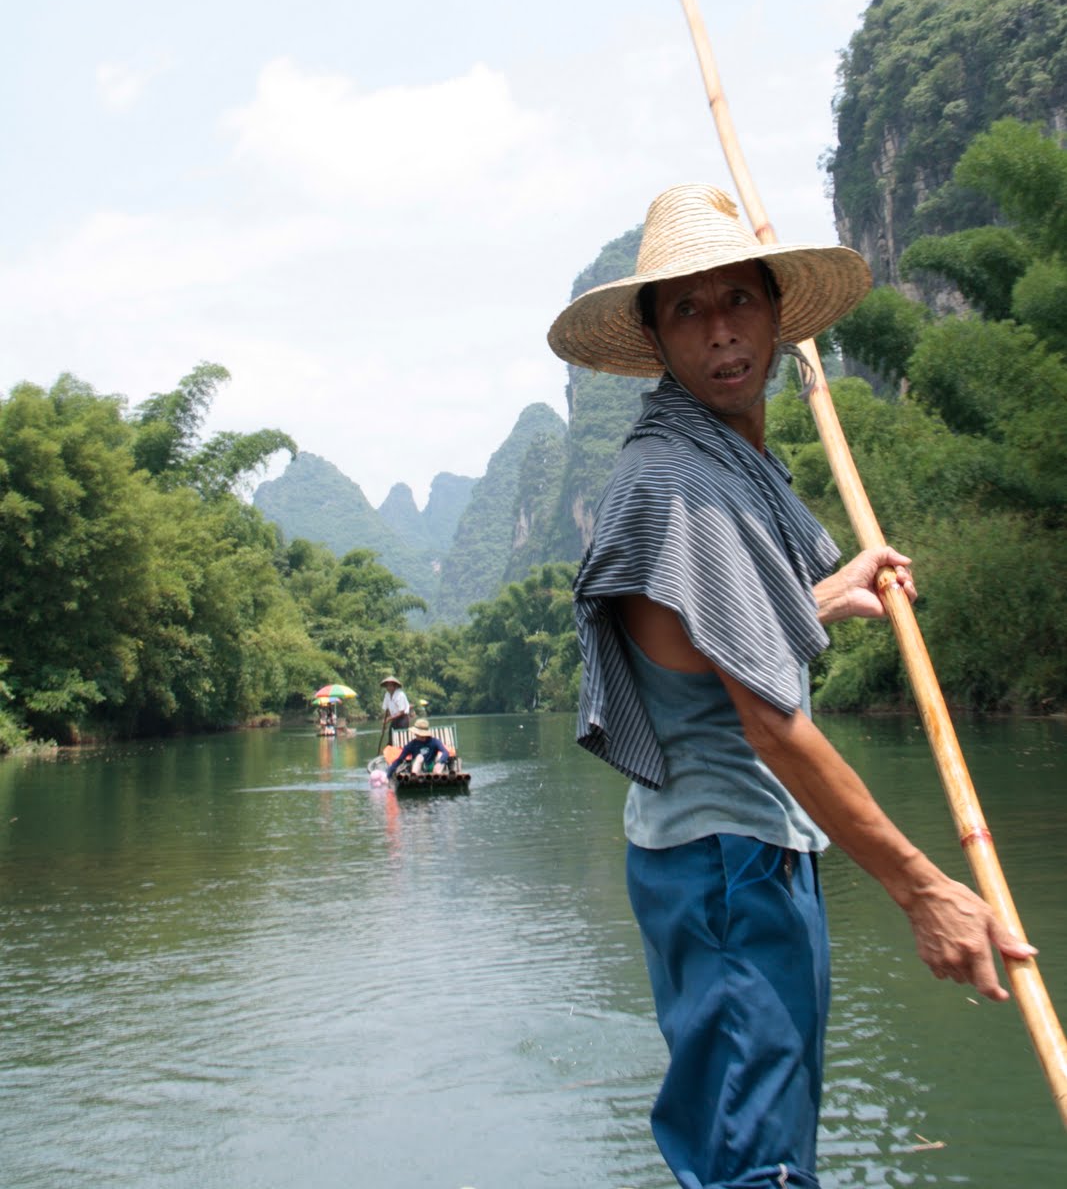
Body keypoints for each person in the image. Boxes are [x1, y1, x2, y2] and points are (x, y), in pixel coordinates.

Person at [547, 183, 1036, 1189]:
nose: (720, 331)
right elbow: (768, 725)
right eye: (688, 309)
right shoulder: (676, 482)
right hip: (727, 866)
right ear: (655, 337)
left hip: (735, 859)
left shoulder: (719, 464)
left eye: (739, 299)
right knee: (755, 1166)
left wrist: (819, 598)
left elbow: (706, 641)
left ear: (776, 316)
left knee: (758, 1147)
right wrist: (923, 887)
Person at [386, 718, 452, 779]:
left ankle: (436, 777)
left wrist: (440, 762)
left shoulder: (434, 741)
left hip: (431, 767)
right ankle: (414, 778)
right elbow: (400, 759)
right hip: (417, 769)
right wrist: (388, 774)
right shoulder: (412, 744)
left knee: (440, 755)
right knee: (420, 757)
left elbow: (445, 752)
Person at [379, 675, 411, 739]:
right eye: (387, 686)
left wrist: (389, 719)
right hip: (394, 719)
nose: (388, 687)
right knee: (391, 737)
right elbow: (387, 709)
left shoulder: (400, 695)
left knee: (402, 737)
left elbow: (401, 712)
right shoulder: (387, 695)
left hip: (402, 718)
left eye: (390, 686)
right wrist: (384, 723)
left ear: (395, 686)